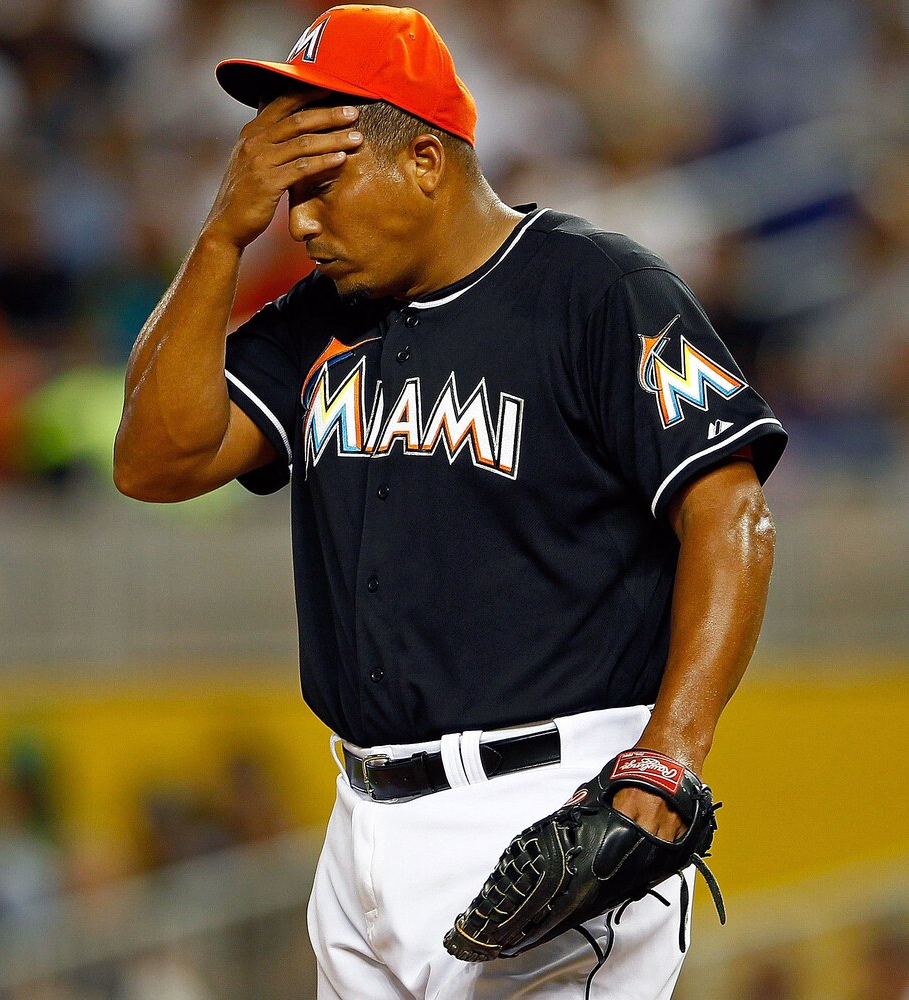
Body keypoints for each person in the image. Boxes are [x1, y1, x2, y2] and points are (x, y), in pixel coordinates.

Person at [113, 5, 785, 999]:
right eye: (285, 189)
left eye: (320, 184)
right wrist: (220, 234)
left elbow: (730, 514)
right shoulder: (321, 316)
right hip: (361, 827)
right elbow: (154, 460)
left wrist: (670, 757)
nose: (297, 218)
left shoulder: (596, 289)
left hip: (552, 804)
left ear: (424, 159)